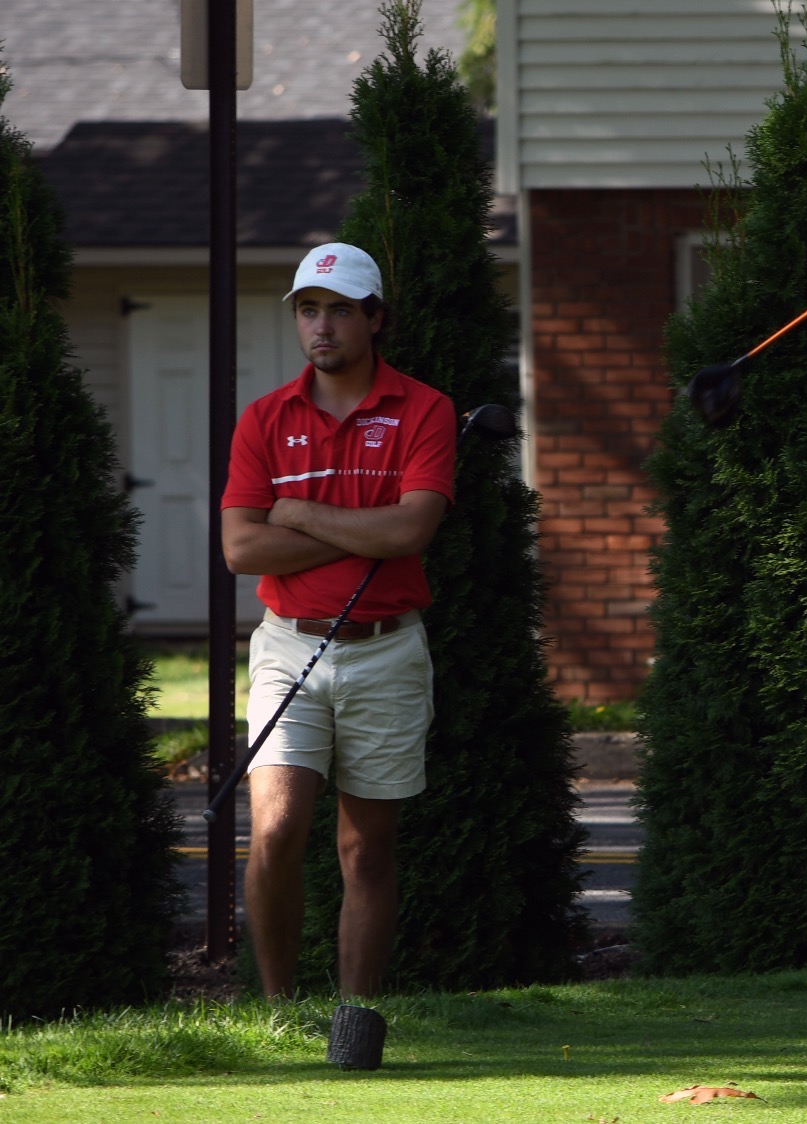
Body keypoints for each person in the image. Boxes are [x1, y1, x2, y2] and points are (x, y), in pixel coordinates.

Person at [220, 243, 457, 999]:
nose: (322, 326)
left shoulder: (425, 409)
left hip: (387, 651)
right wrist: (357, 525)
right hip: (288, 649)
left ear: (375, 318)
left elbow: (409, 533)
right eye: (308, 310)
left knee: (367, 850)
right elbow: (240, 548)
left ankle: (356, 1017)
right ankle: (278, 1011)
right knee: (277, 831)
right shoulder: (264, 419)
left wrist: (298, 513)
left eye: (340, 310)